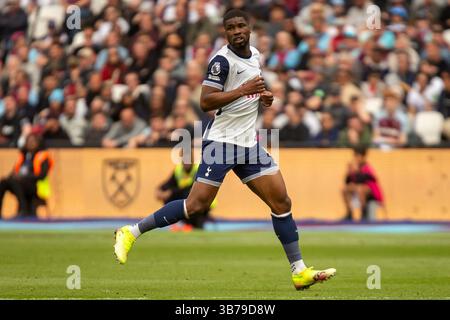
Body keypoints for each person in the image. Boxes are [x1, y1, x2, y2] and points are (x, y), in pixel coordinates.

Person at [114, 9, 336, 291]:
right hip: (221, 142)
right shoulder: (221, 61)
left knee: (282, 203)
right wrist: (244, 90)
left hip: (248, 143)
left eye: (241, 25)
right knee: (196, 206)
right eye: (230, 27)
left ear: (250, 27)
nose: (236, 31)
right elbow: (206, 102)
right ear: (225, 32)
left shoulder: (255, 55)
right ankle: (131, 232)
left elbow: (248, 95)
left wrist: (262, 98)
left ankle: (299, 271)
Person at [155, 146, 214, 230]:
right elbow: (168, 184)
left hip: (204, 204)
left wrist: (171, 192)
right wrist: (159, 190)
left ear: (192, 158)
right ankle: (178, 223)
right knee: (169, 197)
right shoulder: (178, 170)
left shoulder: (198, 169)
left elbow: (190, 188)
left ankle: (192, 224)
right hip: (187, 203)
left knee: (189, 195)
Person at [0, 133, 53, 218]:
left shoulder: (43, 156)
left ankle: (23, 209)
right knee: (4, 182)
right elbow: (14, 171)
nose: (30, 143)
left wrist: (24, 177)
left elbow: (42, 175)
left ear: (38, 143)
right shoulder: (23, 156)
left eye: (33, 141)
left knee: (15, 182)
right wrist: (11, 177)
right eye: (28, 141)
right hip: (19, 183)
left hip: (35, 185)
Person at [342, 146, 385, 221]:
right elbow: (347, 181)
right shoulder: (354, 166)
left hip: (371, 191)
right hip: (359, 189)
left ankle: (363, 213)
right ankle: (349, 213)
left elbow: (369, 180)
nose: (356, 158)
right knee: (345, 189)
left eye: (358, 156)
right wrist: (349, 173)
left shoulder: (367, 167)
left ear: (363, 157)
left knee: (360, 189)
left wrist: (357, 172)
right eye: (355, 156)